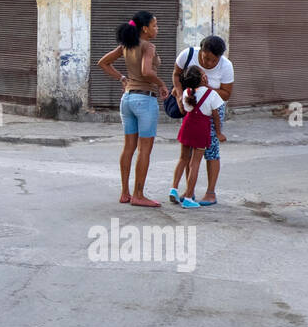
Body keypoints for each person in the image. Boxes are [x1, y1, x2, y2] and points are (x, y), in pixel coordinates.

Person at [97, 11, 170, 208]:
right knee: (144, 149)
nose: (157, 29)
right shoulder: (148, 46)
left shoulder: (126, 46)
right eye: (155, 26)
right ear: (145, 29)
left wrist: (122, 78)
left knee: (129, 147)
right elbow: (147, 72)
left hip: (127, 99)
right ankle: (138, 194)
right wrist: (162, 84)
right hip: (144, 101)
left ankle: (125, 193)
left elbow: (103, 62)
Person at [170, 35, 234, 206]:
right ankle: (188, 192)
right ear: (201, 51)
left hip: (213, 110)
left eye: (214, 60)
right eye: (206, 58)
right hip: (192, 109)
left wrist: (206, 90)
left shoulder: (226, 66)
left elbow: (226, 93)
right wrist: (178, 92)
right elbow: (176, 74)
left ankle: (210, 192)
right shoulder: (187, 55)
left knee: (211, 150)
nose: (209, 63)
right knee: (189, 153)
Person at [173, 66, 226, 209]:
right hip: (201, 131)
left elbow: (185, 109)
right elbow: (216, 116)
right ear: (203, 78)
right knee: (195, 163)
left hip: (187, 128)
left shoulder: (186, 92)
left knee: (184, 159)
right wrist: (219, 133)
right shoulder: (212, 94)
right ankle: (189, 196)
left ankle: (174, 189)